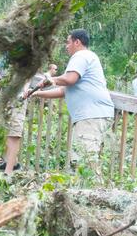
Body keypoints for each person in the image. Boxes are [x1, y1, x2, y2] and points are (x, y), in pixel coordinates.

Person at [28, 29, 114, 181]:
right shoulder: (87, 57)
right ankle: (90, 194)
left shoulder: (81, 56)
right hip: (94, 115)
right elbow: (64, 90)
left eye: (68, 42)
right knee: (86, 159)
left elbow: (69, 79)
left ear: (77, 42)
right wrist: (36, 93)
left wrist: (50, 79)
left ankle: (94, 195)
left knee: (86, 161)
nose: (66, 46)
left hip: (91, 116)